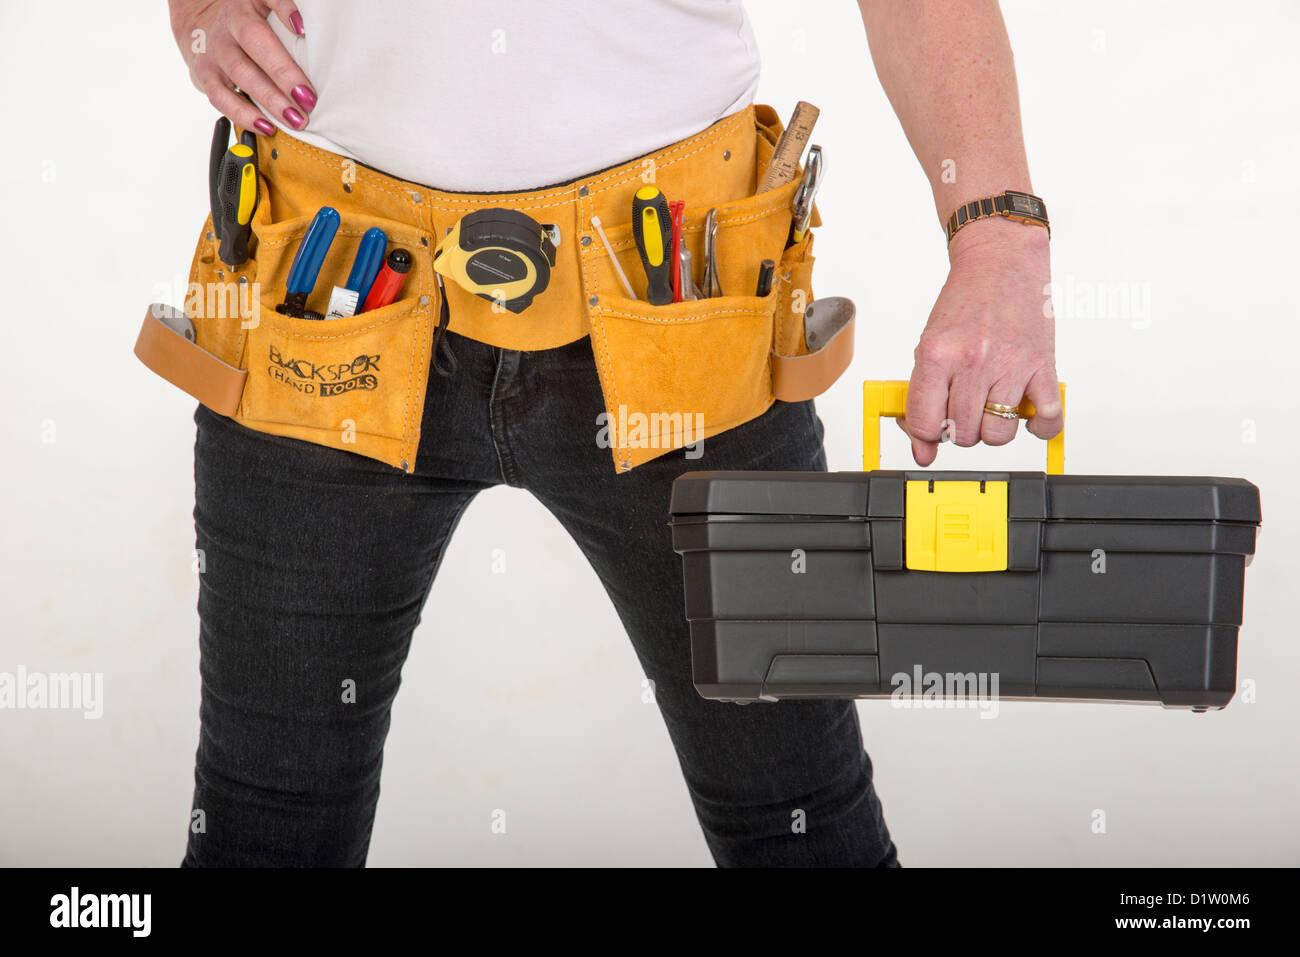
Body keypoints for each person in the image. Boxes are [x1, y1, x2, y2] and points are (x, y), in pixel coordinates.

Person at [169, 0, 1062, 867]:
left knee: (799, 825)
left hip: (680, 315)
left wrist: (1000, 244)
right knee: (264, 831)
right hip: (322, 304)